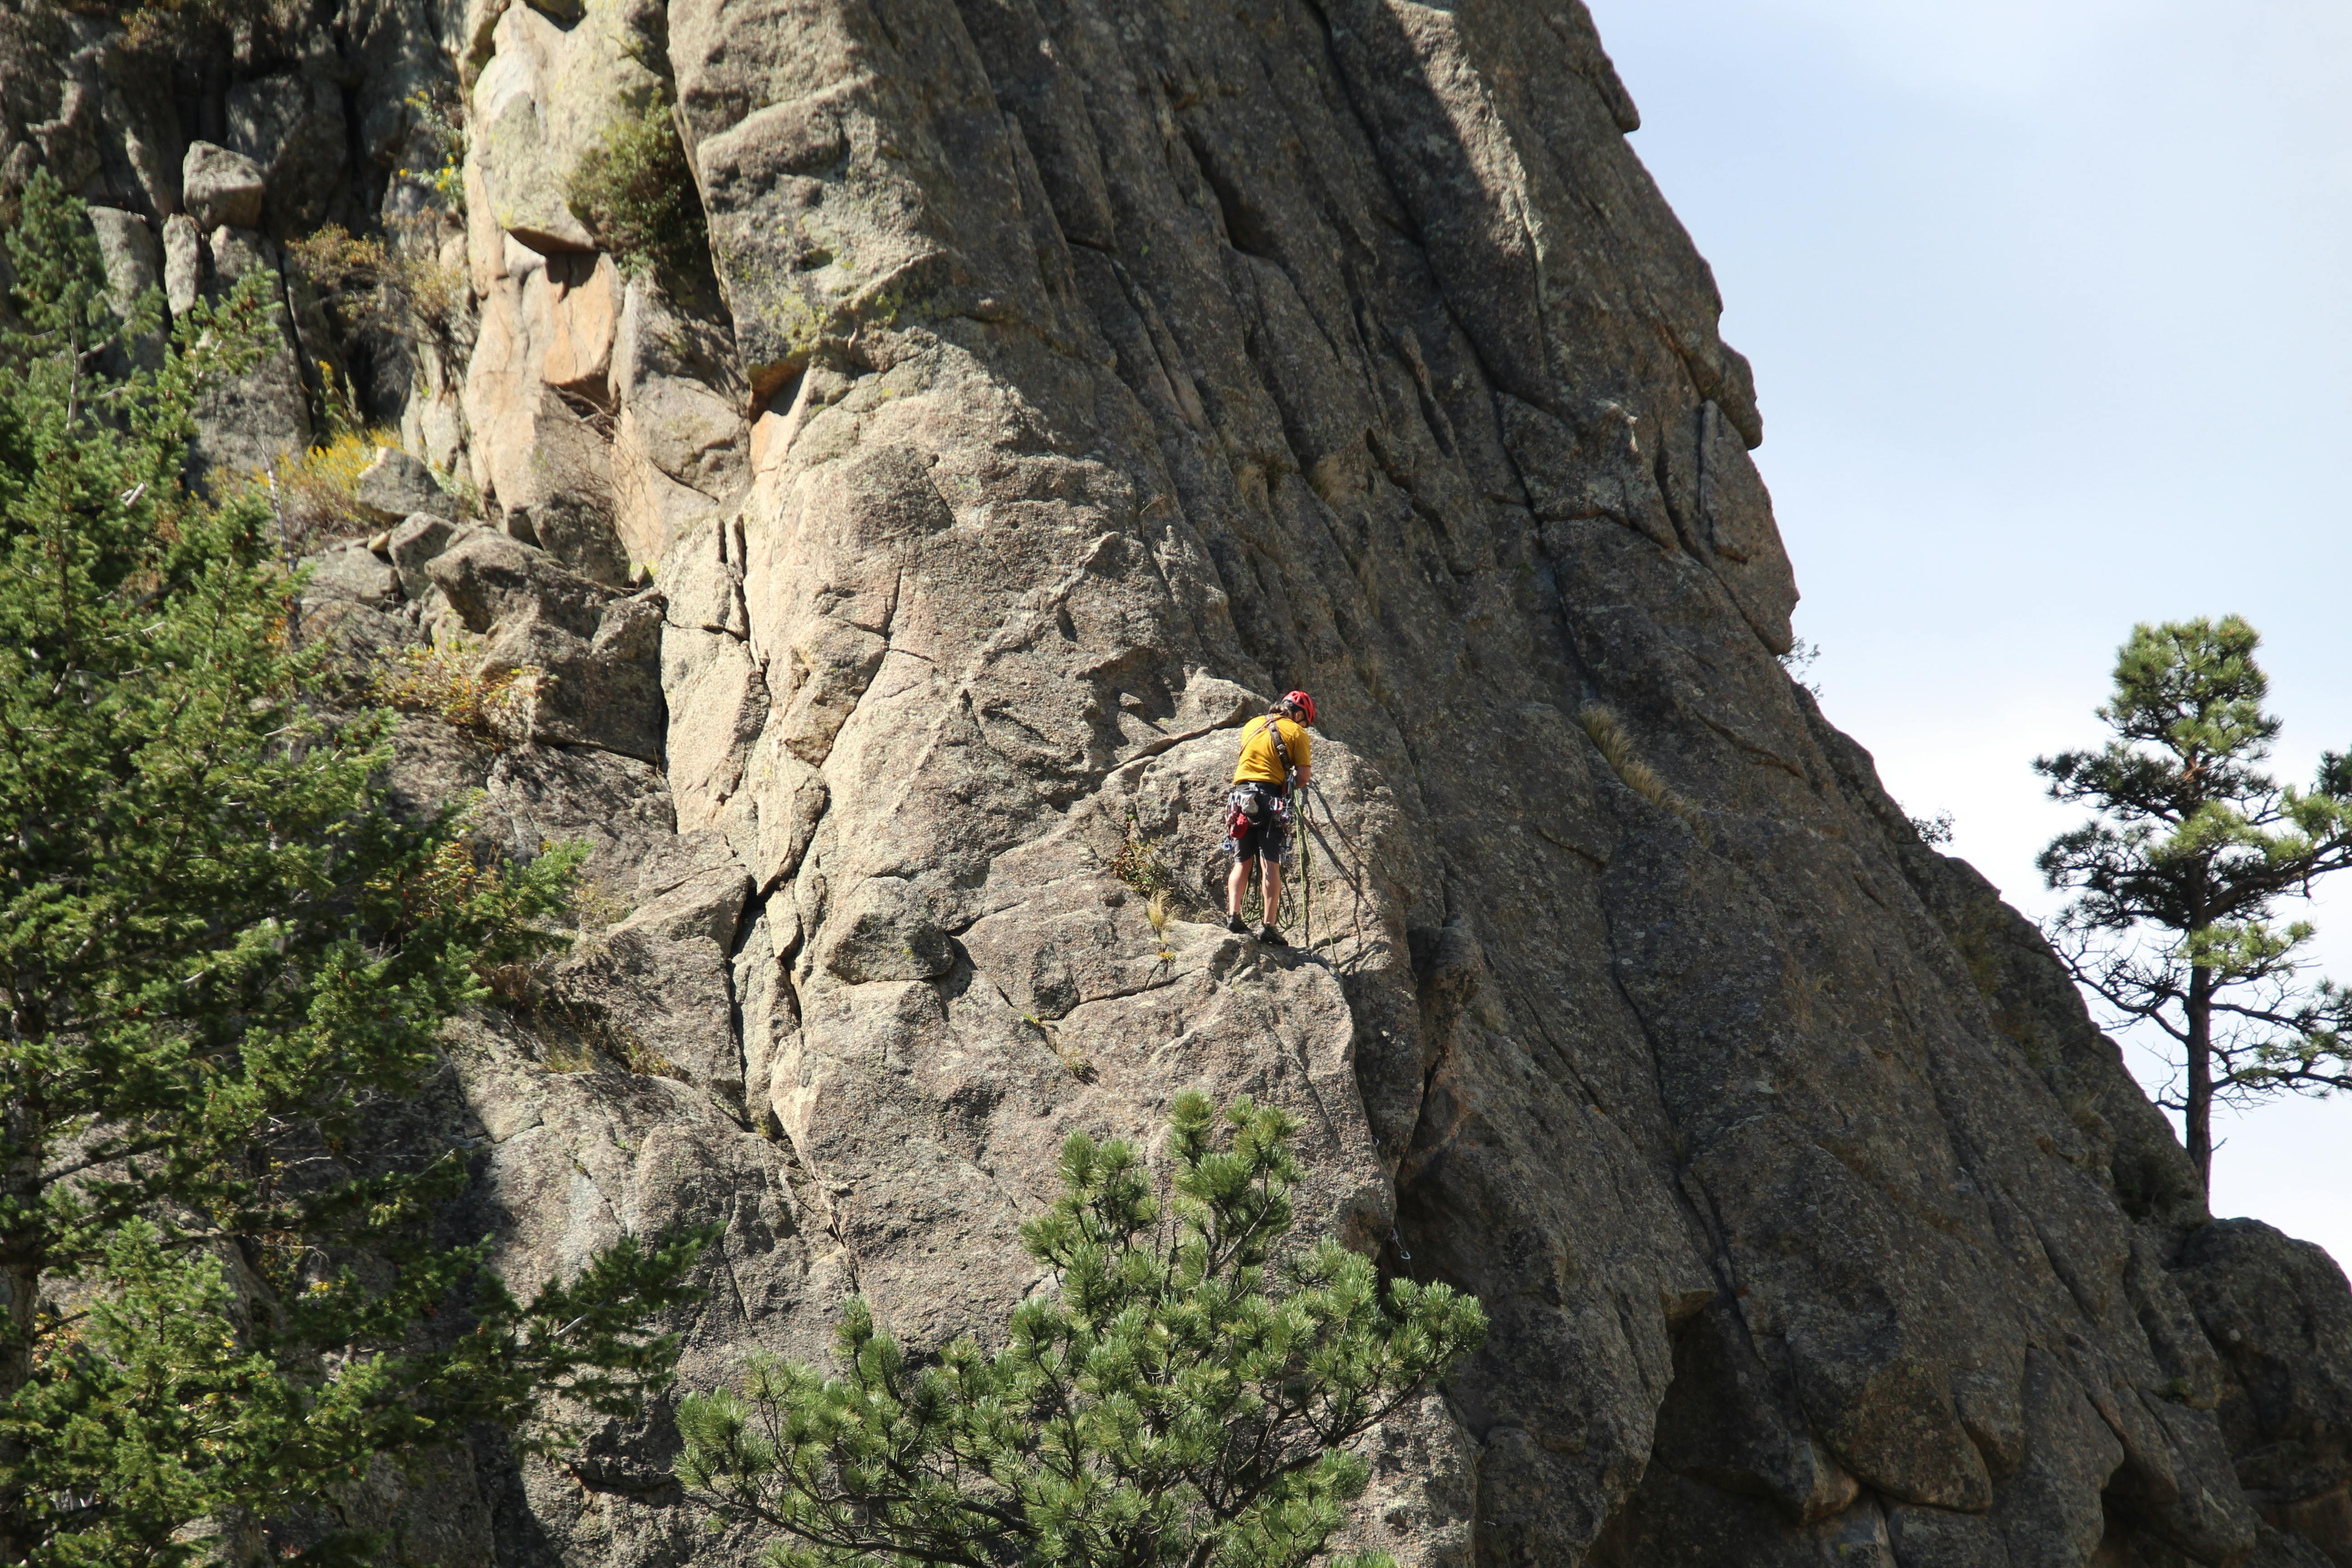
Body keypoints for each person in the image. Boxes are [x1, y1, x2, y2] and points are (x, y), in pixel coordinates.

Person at [1225, 689, 1316, 946]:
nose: (1303, 726)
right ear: (1299, 716)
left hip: (1241, 798)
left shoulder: (1252, 724)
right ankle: (1269, 925)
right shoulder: (1297, 733)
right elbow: (1303, 777)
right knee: (1270, 864)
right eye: (1304, 721)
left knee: (1242, 862)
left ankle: (1234, 915)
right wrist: (1290, 782)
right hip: (1270, 799)